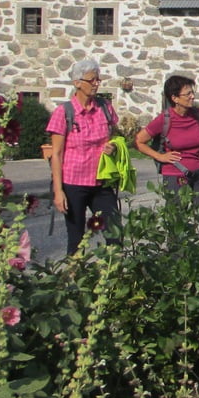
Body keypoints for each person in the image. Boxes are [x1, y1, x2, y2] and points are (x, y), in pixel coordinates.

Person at [45, 58, 121, 254]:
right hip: (74, 183)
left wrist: (112, 147)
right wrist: (58, 191)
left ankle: (116, 276)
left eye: (98, 80)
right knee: (76, 237)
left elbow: (113, 136)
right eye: (92, 80)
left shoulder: (104, 107)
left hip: (101, 182)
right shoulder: (64, 113)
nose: (96, 84)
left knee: (114, 232)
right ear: (77, 83)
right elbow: (56, 154)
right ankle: (74, 278)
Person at [135, 75, 199, 223]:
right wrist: (159, 156)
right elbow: (139, 141)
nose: (192, 96)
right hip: (175, 175)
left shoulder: (198, 115)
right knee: (177, 222)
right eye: (187, 94)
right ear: (175, 98)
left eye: (192, 92)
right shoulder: (165, 119)